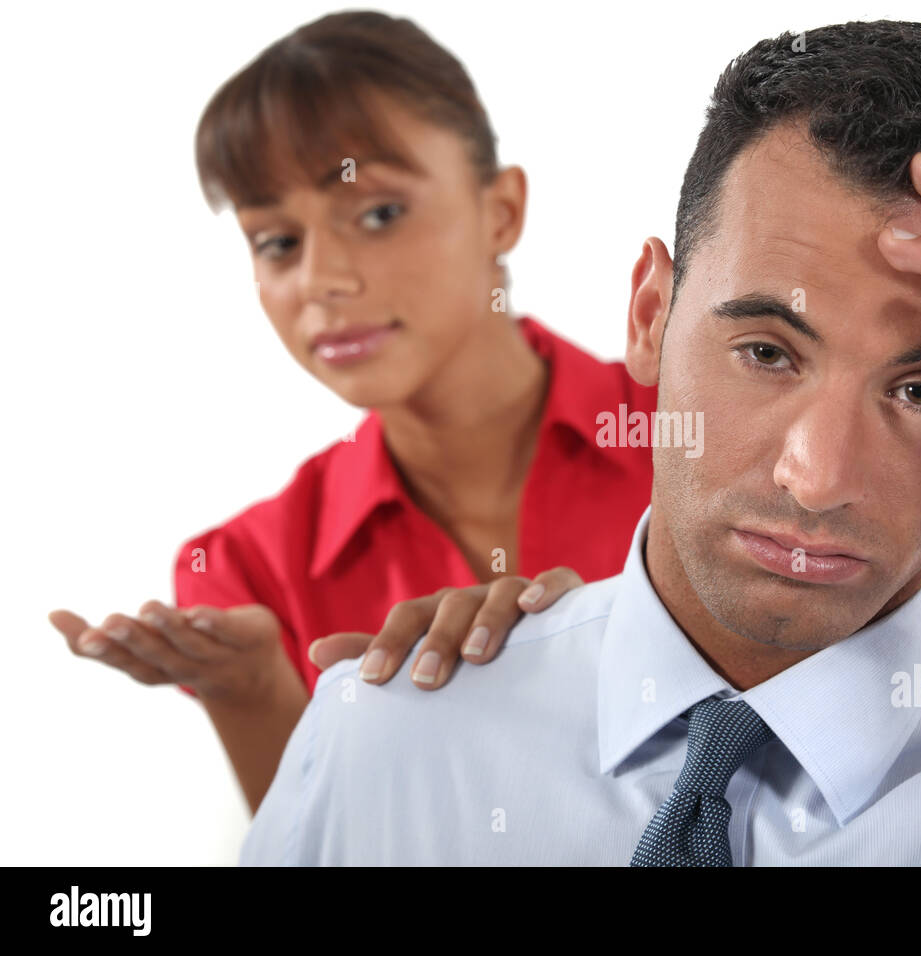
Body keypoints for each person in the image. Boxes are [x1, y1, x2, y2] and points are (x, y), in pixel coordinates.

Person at [239, 20, 921, 866]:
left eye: (920, 384)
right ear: (649, 314)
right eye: (766, 351)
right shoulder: (386, 741)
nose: (817, 474)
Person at [45, 10, 654, 814]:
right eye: (277, 242)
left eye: (377, 214)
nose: (321, 279)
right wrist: (252, 692)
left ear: (501, 211)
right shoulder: (250, 574)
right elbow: (321, 848)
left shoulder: (698, 430)